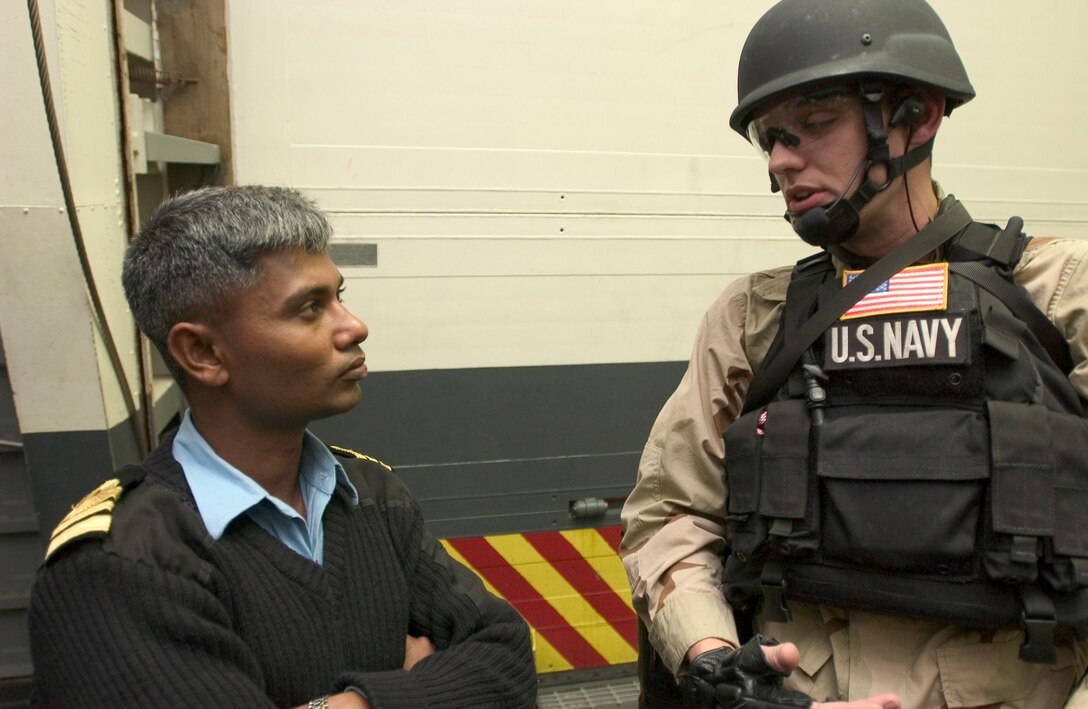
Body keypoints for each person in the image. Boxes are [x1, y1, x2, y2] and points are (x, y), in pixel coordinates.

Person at [620, 1, 1088, 707]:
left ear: (916, 116)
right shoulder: (754, 318)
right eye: (770, 136)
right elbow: (671, 513)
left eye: (814, 123)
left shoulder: (1058, 296)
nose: (781, 158)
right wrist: (718, 661)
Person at [28, 185, 538, 708]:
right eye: (309, 308)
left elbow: (508, 661)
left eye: (339, 296)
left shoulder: (372, 499)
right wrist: (408, 694)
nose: (354, 326)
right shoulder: (120, 562)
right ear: (202, 352)